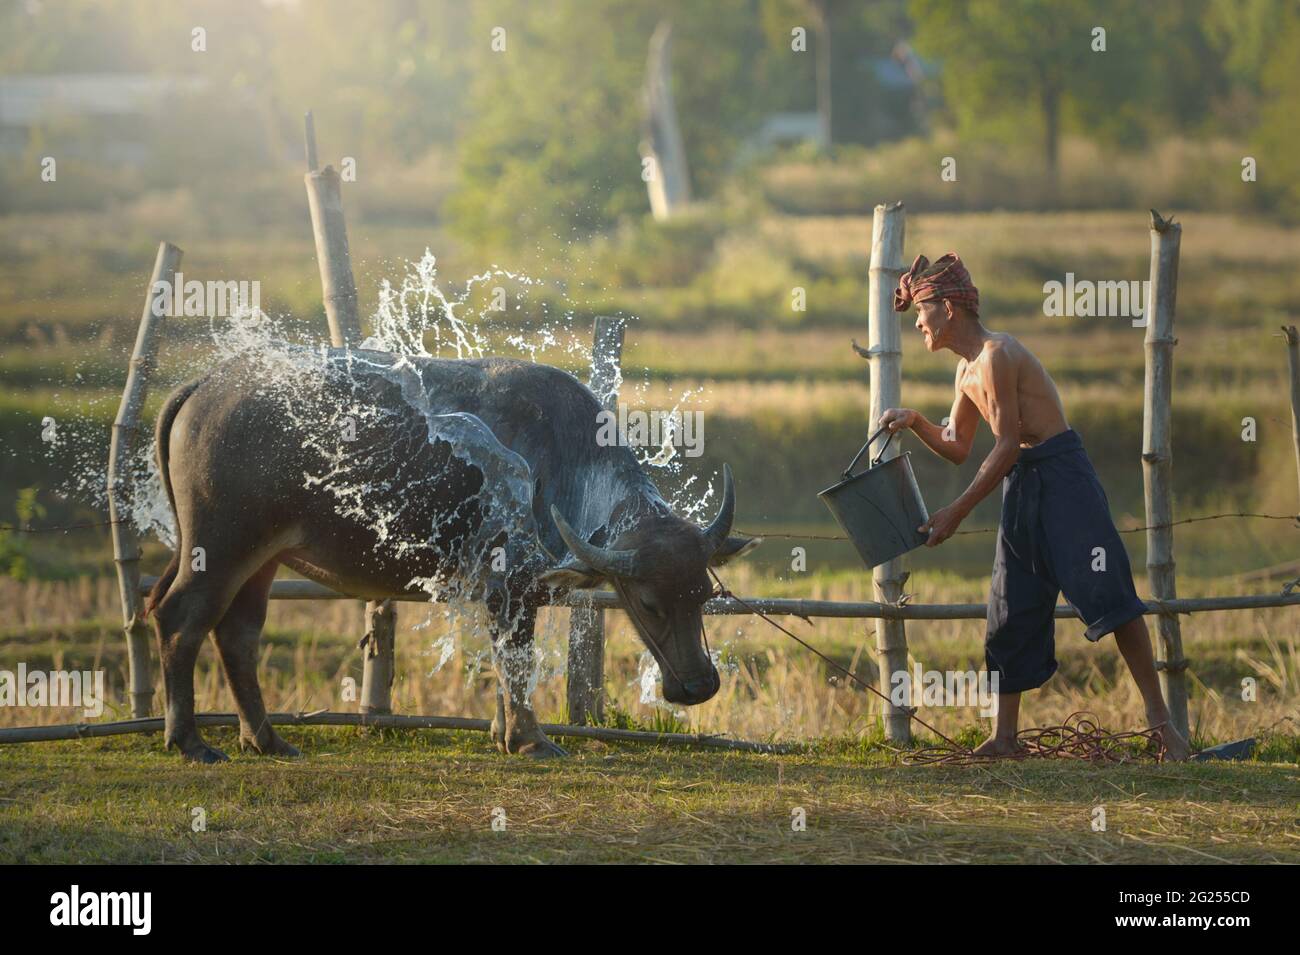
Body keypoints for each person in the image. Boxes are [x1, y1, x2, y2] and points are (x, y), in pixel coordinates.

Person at [878, 252, 1190, 761]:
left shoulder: (999, 354)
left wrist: (954, 512)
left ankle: (1162, 726)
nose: (916, 322)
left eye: (921, 309)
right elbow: (958, 445)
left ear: (949, 308)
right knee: (1010, 602)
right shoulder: (965, 371)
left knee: (1107, 589)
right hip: (1022, 483)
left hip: (1062, 476)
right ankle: (1004, 737)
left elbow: (1003, 445)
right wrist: (915, 420)